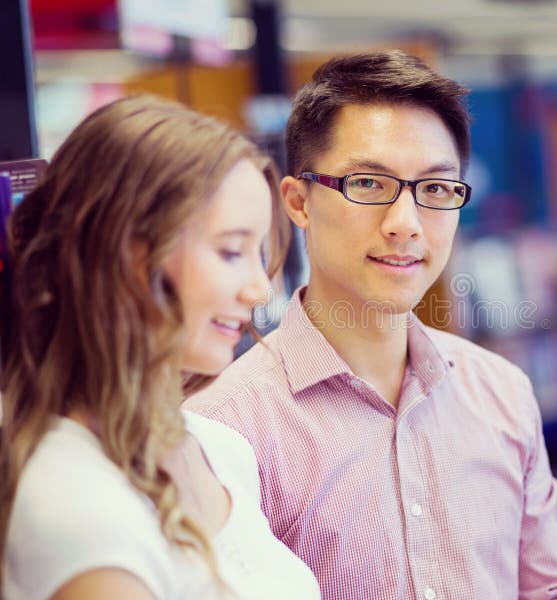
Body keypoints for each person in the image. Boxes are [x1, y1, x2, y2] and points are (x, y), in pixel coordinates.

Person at [186, 51, 557, 599]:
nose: (405, 224)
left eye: (435, 189)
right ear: (297, 201)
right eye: (369, 184)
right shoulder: (222, 428)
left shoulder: (500, 391)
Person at [0, 96, 321, 600]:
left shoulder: (221, 450)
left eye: (259, 254)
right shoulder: (71, 499)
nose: (259, 289)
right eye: (231, 251)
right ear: (125, 254)